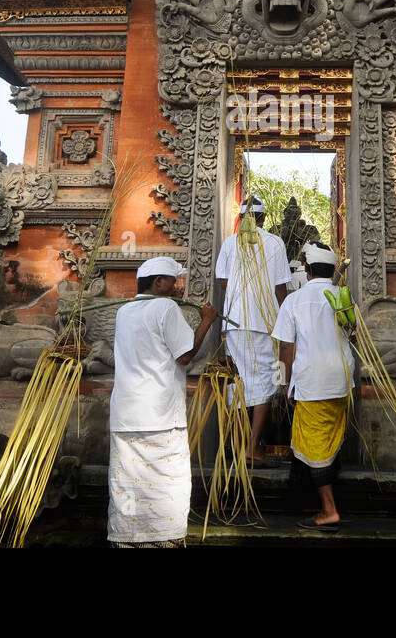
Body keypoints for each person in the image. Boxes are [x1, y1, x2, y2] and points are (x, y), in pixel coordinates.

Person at [107, 255, 217, 547]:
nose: (178, 287)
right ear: (158, 283)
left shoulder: (124, 311)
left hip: (126, 413)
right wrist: (206, 321)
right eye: (173, 281)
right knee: (167, 479)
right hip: (160, 414)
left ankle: (128, 539)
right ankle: (163, 540)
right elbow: (184, 355)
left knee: (129, 480)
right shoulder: (165, 307)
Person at [273, 241, 354, 531]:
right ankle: (323, 498)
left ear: (306, 268)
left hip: (311, 381)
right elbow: (352, 337)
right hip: (342, 379)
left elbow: (285, 349)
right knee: (330, 437)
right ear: (332, 269)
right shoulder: (344, 298)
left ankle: (329, 510)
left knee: (314, 443)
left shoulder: (294, 301)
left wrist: (283, 383)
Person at [215, 197, 291, 465]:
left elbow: (223, 282)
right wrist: (290, 320)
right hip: (264, 323)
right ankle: (252, 446)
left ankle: (236, 443)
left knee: (239, 380)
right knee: (266, 382)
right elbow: (281, 289)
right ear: (264, 217)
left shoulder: (229, 242)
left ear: (241, 217)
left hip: (234, 324)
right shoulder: (274, 242)